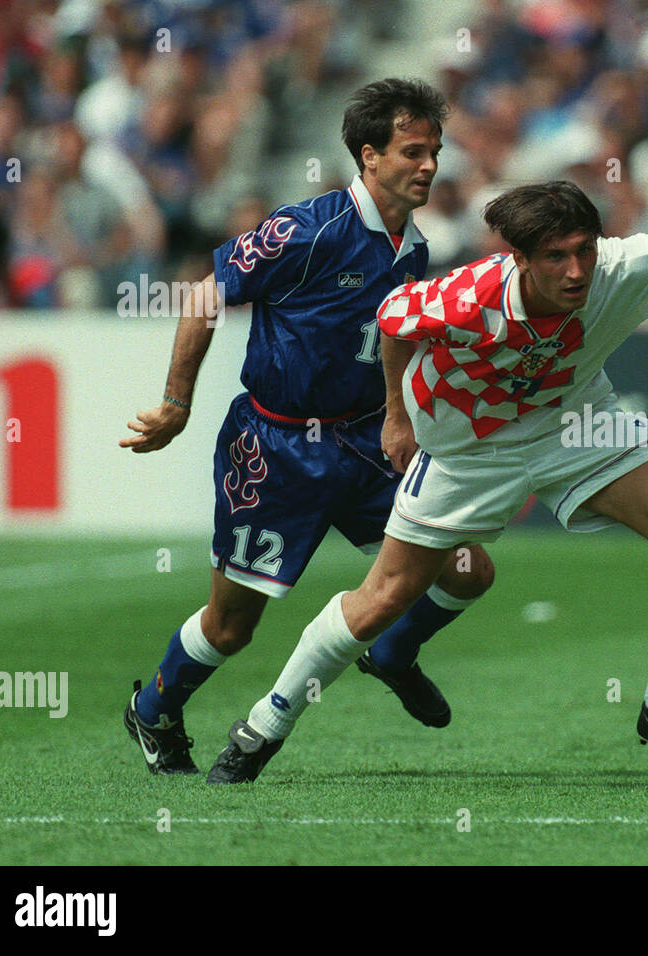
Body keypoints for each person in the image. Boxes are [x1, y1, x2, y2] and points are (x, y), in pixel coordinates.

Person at [207, 180, 648, 783]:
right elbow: (394, 318)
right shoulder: (468, 296)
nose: (575, 271)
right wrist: (398, 417)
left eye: (583, 252)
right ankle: (263, 727)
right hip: (466, 451)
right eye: (555, 258)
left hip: (574, 422)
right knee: (381, 598)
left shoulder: (625, 267)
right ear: (518, 259)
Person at [120, 78, 495, 775]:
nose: (430, 166)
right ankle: (154, 711)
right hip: (275, 447)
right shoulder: (309, 229)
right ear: (369, 155)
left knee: (469, 568)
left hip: (363, 441)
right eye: (413, 152)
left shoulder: (414, 246)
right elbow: (206, 293)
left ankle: (392, 651)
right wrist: (176, 403)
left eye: (435, 152)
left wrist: (401, 414)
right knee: (232, 627)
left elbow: (397, 340)